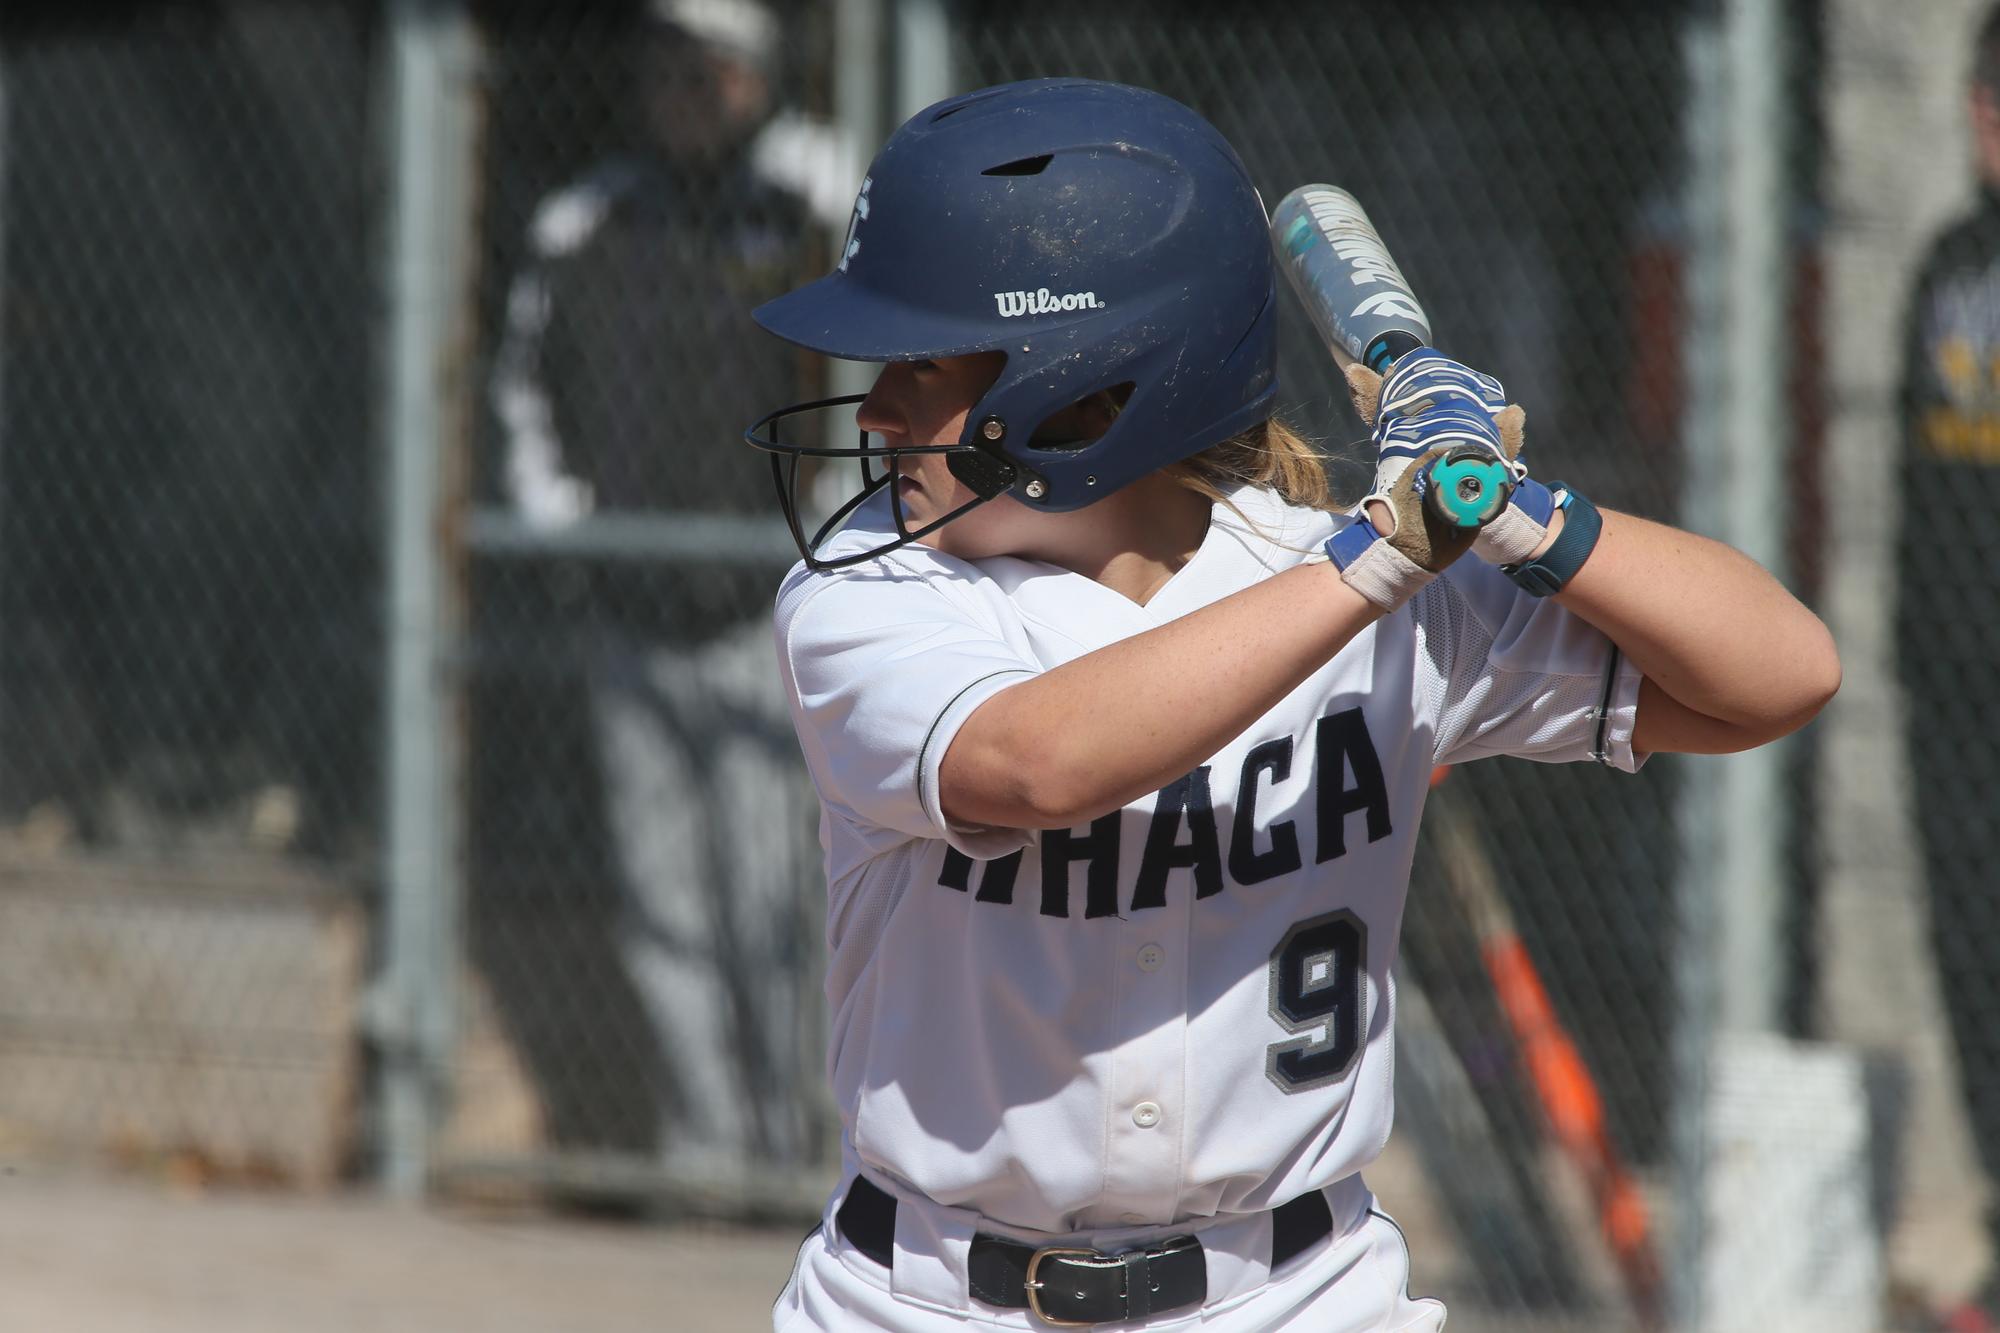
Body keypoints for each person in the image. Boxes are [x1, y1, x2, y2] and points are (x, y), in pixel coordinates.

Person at [748, 79, 1838, 1331]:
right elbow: (1036, 762)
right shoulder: (869, 590)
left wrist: (1513, 506)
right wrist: (1382, 555)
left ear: (1088, 391)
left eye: (922, 365)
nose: (876, 409)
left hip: (1298, 1297)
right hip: (926, 1300)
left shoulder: (1347, 575)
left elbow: (1779, 672)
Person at [487, 0, 845, 1167]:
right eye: (662, 67)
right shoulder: (586, 219)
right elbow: (525, 389)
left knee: (774, 905)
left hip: (767, 616)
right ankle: (707, 1157)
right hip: (631, 620)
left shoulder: (813, 201)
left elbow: (872, 394)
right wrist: (573, 533)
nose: (683, 90)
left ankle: (803, 1155)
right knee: (662, 905)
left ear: (755, 75)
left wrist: (825, 556)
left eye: (708, 68)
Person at [1898, 8, 2000, 1327]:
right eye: (1982, 99)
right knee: (1974, 970)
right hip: (1956, 694)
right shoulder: (1945, 265)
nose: (1987, 122)